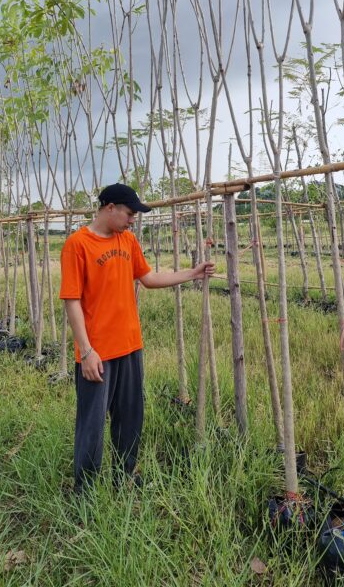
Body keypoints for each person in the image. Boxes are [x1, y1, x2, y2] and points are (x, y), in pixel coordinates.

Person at [59, 183, 214, 493]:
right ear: (110, 207)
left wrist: (192, 273)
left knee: (130, 419)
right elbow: (71, 300)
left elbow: (148, 278)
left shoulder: (128, 241)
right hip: (97, 353)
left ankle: (124, 476)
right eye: (129, 214)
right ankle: (85, 491)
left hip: (130, 346)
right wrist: (86, 351)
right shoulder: (78, 244)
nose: (132, 221)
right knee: (91, 424)